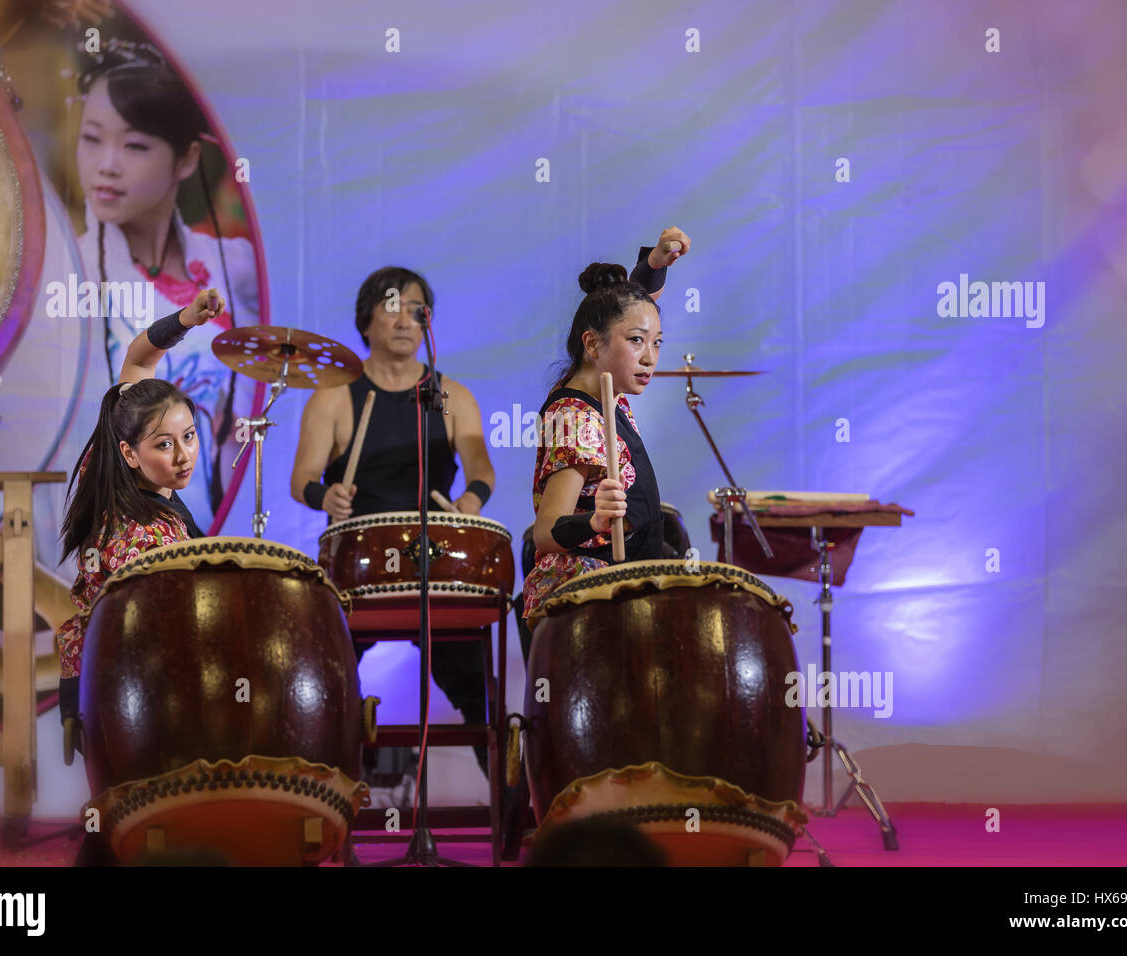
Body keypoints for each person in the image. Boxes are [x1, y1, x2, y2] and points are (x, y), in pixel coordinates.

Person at [291, 266, 496, 775]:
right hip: (357, 564)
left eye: (417, 309)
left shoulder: (452, 396)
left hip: (435, 563)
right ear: (365, 322)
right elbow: (302, 478)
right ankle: (331, 796)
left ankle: (509, 806)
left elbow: (482, 472)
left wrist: (470, 501)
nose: (406, 319)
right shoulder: (336, 395)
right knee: (326, 687)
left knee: (475, 687)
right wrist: (326, 497)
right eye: (392, 306)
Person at [75, 40, 258, 531]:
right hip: (132, 514)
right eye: (91, 138)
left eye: (134, 145)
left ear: (187, 158)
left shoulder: (233, 264)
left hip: (221, 507)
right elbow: (134, 362)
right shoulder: (71, 273)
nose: (106, 164)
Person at [54, 289, 223, 715]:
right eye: (165, 445)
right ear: (130, 453)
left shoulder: (117, 442)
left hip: (107, 682)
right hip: (121, 690)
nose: (184, 456)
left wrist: (186, 318)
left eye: (189, 436)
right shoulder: (147, 536)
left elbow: (139, 356)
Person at [521, 228, 690, 624]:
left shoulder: (607, 394)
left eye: (658, 343)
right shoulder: (575, 417)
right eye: (637, 342)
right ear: (593, 345)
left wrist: (654, 266)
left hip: (624, 582)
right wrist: (593, 522)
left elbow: (628, 309)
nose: (650, 357)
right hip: (588, 600)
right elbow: (545, 532)